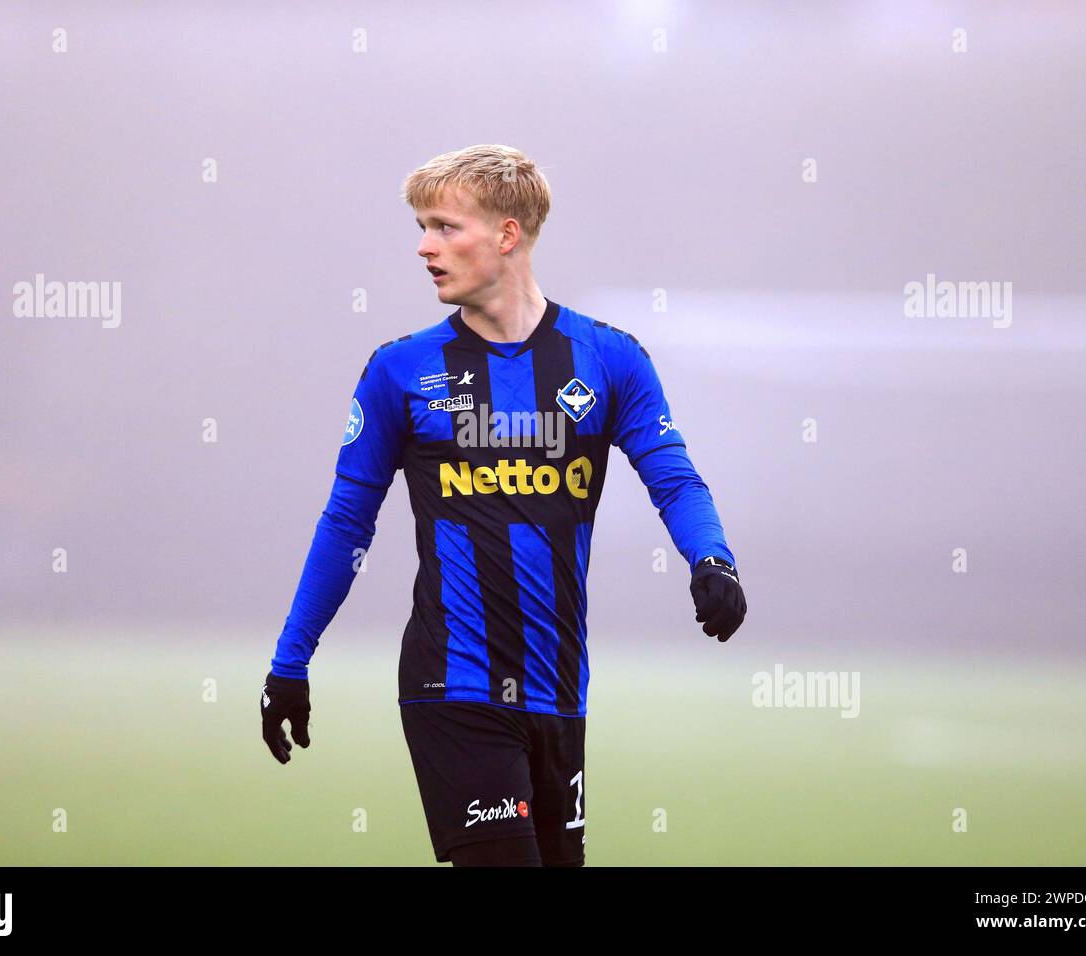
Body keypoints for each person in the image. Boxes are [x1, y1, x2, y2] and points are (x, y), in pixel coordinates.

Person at [260, 144, 746, 867]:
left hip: (560, 690)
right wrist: (290, 662)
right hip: (451, 684)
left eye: (445, 227)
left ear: (507, 235)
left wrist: (713, 560)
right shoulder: (401, 370)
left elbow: (673, 479)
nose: (424, 247)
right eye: (422, 227)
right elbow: (346, 522)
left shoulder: (609, 359)